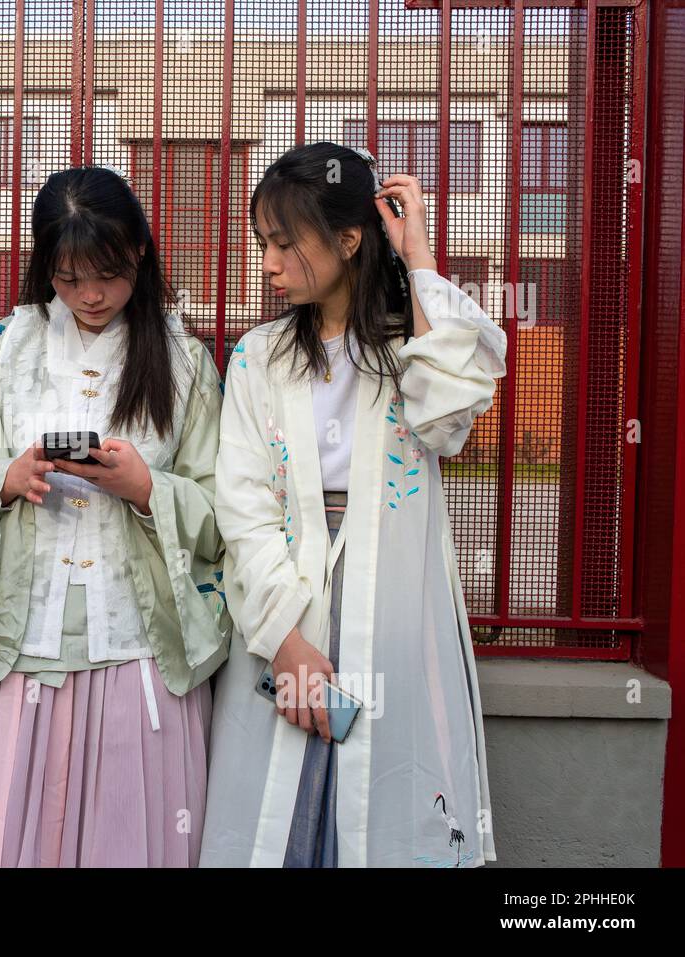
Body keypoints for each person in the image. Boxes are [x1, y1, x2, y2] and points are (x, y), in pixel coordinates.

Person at [200, 142, 503, 868]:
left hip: (390, 602)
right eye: (263, 243)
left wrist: (420, 257)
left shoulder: (411, 346)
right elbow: (239, 500)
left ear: (348, 238)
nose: (267, 263)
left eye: (284, 243)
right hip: (284, 600)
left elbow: (449, 419)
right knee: (277, 816)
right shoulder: (258, 355)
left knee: (386, 804)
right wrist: (286, 638)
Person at [0, 165, 229, 866]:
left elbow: (226, 506)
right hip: (17, 650)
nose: (90, 295)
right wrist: (4, 478)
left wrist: (148, 487)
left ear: (142, 252)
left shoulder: (184, 362)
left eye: (108, 274)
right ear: (44, 268)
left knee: (129, 835)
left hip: (135, 649)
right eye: (68, 277)